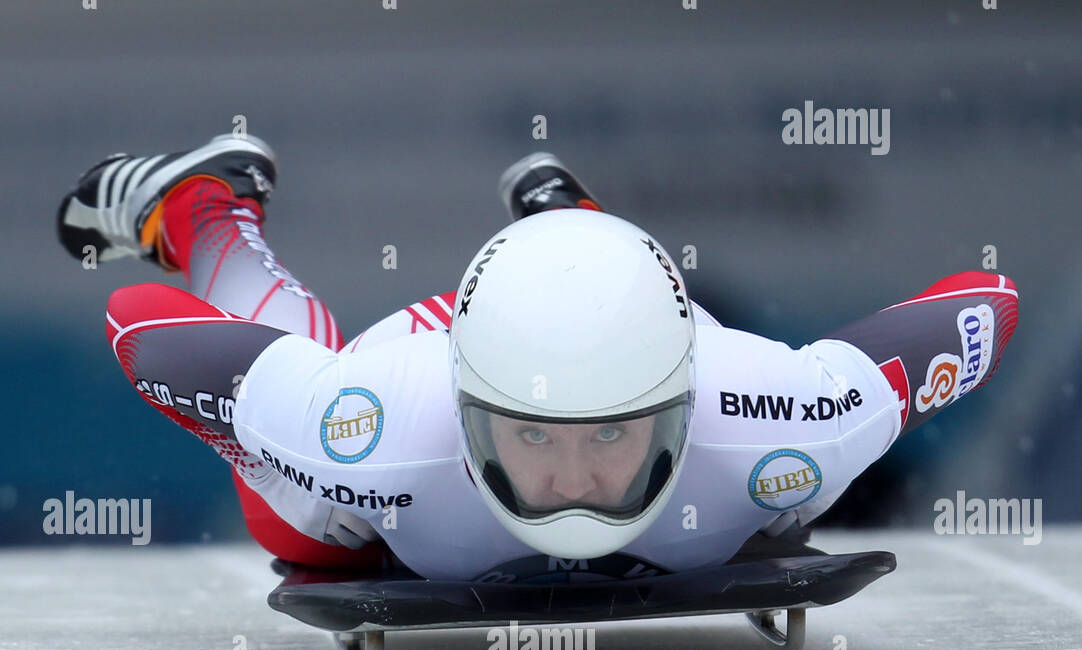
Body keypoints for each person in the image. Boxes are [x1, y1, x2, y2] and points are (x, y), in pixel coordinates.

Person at [57, 133, 1019, 583]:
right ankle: (209, 210)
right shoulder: (368, 426)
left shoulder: (790, 415)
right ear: (471, 413)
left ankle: (570, 223)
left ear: (680, 407)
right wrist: (248, 434)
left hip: (683, 368)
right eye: (532, 435)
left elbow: (987, 303)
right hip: (417, 360)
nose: (570, 484)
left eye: (610, 433)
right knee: (300, 525)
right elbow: (143, 318)